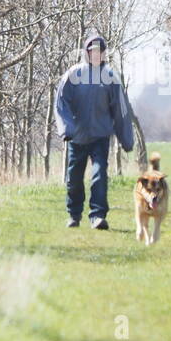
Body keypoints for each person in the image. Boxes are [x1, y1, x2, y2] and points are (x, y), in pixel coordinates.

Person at [54, 33, 134, 229]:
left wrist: (126, 139)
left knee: (99, 175)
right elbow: (61, 102)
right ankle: (74, 214)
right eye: (92, 51)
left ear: (104, 54)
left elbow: (121, 110)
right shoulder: (74, 75)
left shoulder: (110, 77)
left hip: (100, 136)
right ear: (86, 53)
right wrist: (66, 128)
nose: (96, 54)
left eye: (99, 51)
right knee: (74, 178)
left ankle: (97, 216)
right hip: (77, 137)